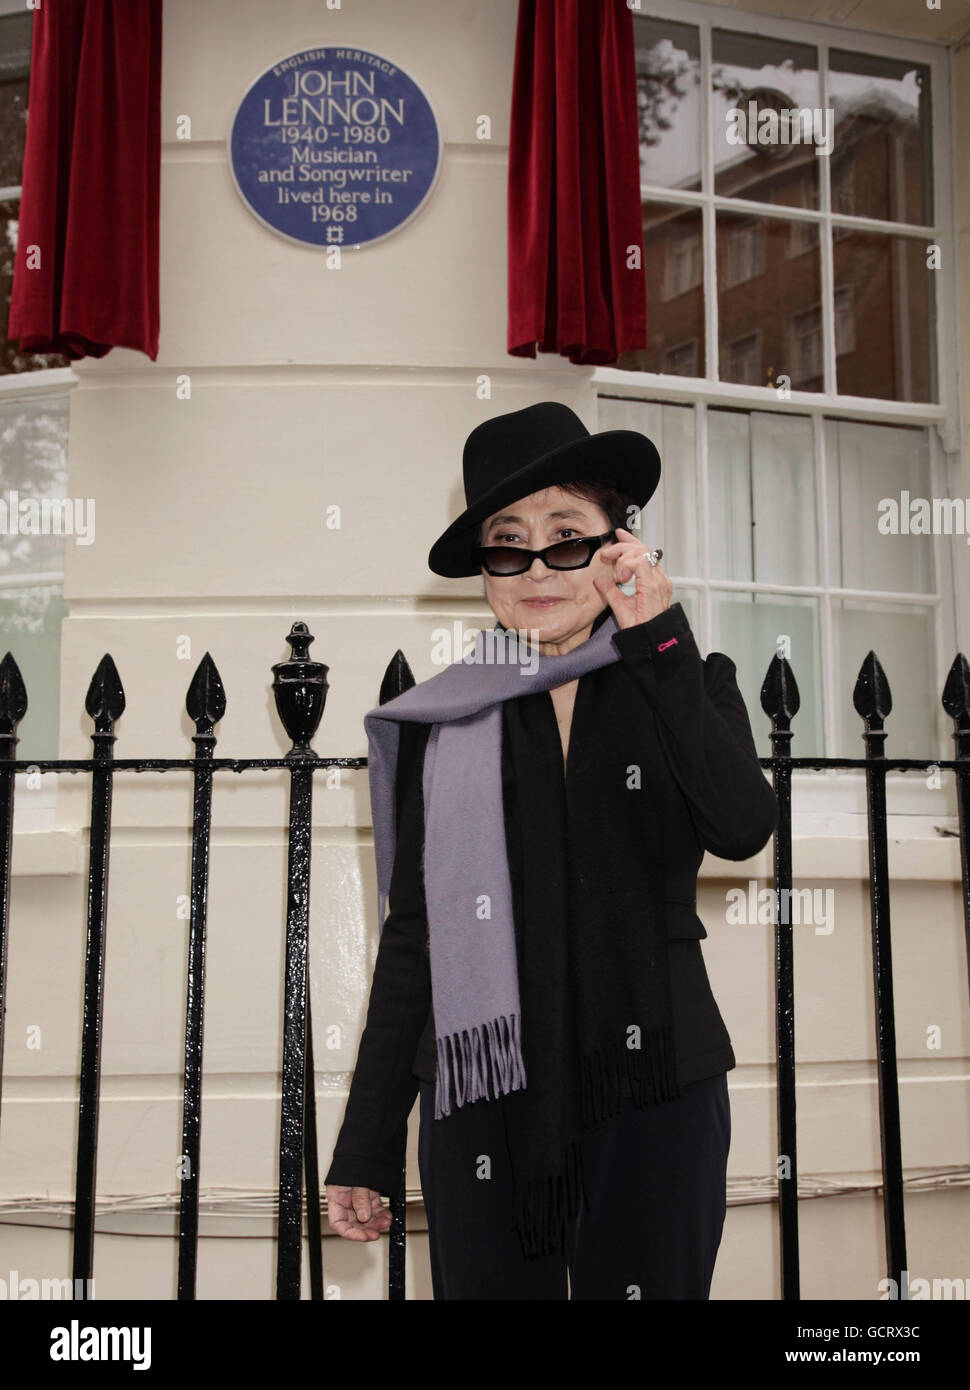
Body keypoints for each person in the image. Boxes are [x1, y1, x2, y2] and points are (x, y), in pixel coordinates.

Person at [324, 401, 778, 1299]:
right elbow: (413, 939)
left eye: (567, 536)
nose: (535, 567)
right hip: (484, 1101)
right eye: (508, 543)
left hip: (655, 1086)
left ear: (619, 546)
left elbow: (741, 825)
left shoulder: (679, 675)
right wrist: (367, 1145)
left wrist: (657, 636)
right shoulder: (443, 721)